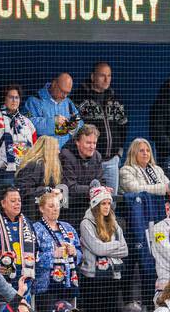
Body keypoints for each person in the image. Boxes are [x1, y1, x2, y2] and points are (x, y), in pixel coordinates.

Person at [77, 182, 128, 312]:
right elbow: (97, 248)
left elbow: (126, 249)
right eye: (103, 203)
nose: (107, 207)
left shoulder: (114, 222)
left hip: (112, 277)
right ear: (95, 204)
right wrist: (114, 246)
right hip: (92, 279)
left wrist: (108, 247)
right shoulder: (86, 223)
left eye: (108, 203)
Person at [73, 62, 127, 192]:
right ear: (93, 77)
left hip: (112, 161)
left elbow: (124, 126)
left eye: (109, 75)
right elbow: (74, 130)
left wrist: (118, 153)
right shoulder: (79, 98)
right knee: (92, 199)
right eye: (102, 75)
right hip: (89, 162)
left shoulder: (115, 99)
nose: (106, 79)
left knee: (111, 201)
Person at [0, 184, 48, 290]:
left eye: (19, 200)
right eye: (13, 201)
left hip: (25, 284)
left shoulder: (27, 224)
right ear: (3, 203)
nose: (17, 204)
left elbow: (37, 249)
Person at [0, 83, 37, 190]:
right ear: (4, 98)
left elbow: (33, 147)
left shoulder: (27, 123)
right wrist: (0, 165)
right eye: (11, 97)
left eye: (17, 97)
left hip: (22, 173)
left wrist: (25, 165)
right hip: (1, 173)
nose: (14, 100)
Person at [30, 188, 81, 308]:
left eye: (57, 206)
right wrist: (53, 254)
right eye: (51, 206)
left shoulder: (68, 227)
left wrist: (75, 253)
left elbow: (80, 252)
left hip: (69, 284)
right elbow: (31, 258)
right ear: (41, 208)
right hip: (46, 288)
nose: (55, 209)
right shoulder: (35, 229)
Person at [60, 124, 104, 225]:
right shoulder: (66, 155)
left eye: (94, 143)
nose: (92, 147)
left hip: (90, 204)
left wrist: (103, 189)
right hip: (69, 208)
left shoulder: (97, 156)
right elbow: (70, 187)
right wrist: (93, 189)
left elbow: (101, 181)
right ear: (77, 142)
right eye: (88, 143)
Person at [24, 72, 80, 150]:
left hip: (65, 155)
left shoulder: (68, 102)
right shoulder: (35, 100)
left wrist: (73, 127)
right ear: (54, 84)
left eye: (67, 93)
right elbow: (27, 125)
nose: (65, 96)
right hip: (43, 154)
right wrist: (54, 123)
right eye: (62, 91)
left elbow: (79, 121)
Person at [14, 135, 65, 211]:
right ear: (49, 150)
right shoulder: (33, 165)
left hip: (45, 209)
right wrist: (47, 190)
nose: (59, 152)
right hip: (31, 210)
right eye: (56, 149)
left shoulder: (51, 167)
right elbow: (24, 190)